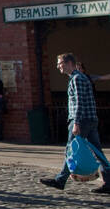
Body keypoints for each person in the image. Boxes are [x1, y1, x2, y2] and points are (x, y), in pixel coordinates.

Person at [41, 52, 110, 192]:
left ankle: (60, 180)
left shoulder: (77, 79)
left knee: (70, 150)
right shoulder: (82, 77)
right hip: (90, 120)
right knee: (98, 152)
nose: (58, 66)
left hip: (81, 121)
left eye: (60, 63)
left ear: (69, 63)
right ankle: (109, 182)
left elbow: (79, 103)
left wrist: (76, 123)